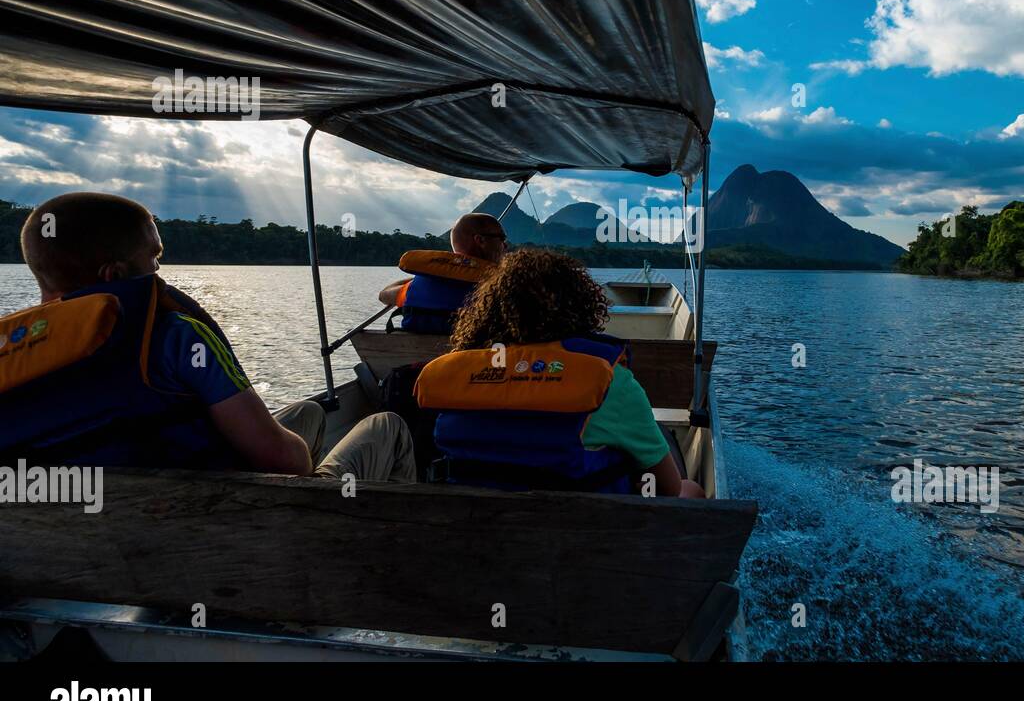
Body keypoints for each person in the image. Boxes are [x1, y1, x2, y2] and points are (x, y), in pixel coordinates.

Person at [0, 192, 415, 482]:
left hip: (77, 545)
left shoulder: (15, 351)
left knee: (308, 412)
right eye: (155, 257)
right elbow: (284, 464)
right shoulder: (177, 335)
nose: (160, 271)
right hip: (210, 531)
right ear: (116, 275)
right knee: (387, 426)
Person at [414, 248, 706, 498]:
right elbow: (666, 489)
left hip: (477, 529)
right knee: (689, 489)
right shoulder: (611, 381)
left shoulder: (460, 376)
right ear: (581, 306)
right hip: (585, 535)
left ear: (491, 310)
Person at [378, 213, 507, 333]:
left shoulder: (418, 287)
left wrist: (433, 274)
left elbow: (384, 295)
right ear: (480, 241)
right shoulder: (505, 287)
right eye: (502, 238)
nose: (505, 245)